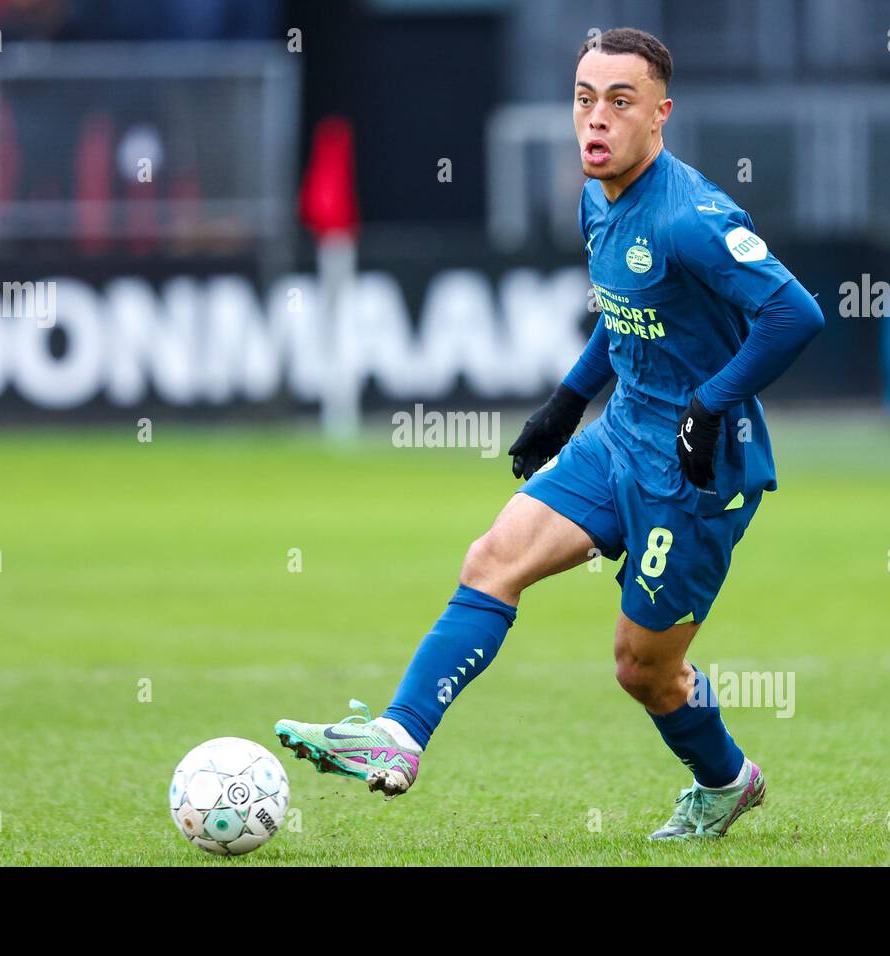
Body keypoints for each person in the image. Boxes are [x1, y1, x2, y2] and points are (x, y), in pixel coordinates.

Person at [275, 27, 825, 840]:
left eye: (620, 101)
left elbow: (795, 313)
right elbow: (625, 311)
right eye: (583, 99)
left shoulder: (695, 218)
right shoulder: (595, 198)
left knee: (644, 670)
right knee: (493, 559)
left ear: (660, 115)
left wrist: (709, 405)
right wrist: (568, 402)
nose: (596, 119)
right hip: (620, 434)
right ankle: (397, 736)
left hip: (697, 472)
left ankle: (727, 780)